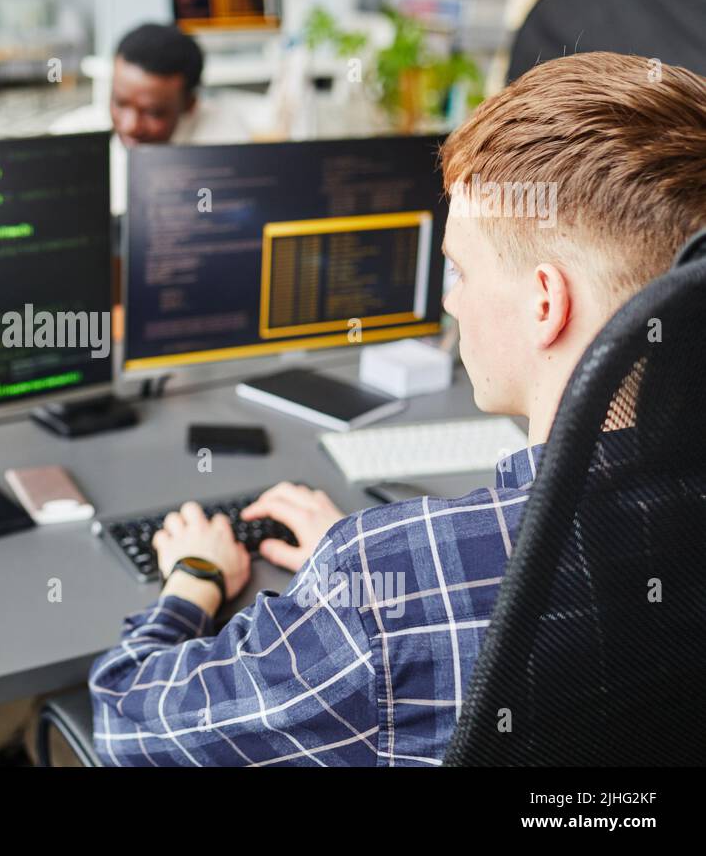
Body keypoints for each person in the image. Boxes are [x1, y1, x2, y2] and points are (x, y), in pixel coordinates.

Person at [89, 51, 706, 766]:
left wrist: (196, 579)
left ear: (546, 304)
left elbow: (128, 726)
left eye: (463, 269)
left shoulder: (389, 597)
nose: (449, 300)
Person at [51, 23, 249, 214]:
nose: (130, 126)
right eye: (119, 102)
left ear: (189, 104)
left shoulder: (227, 143)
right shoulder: (68, 139)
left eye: (153, 113)